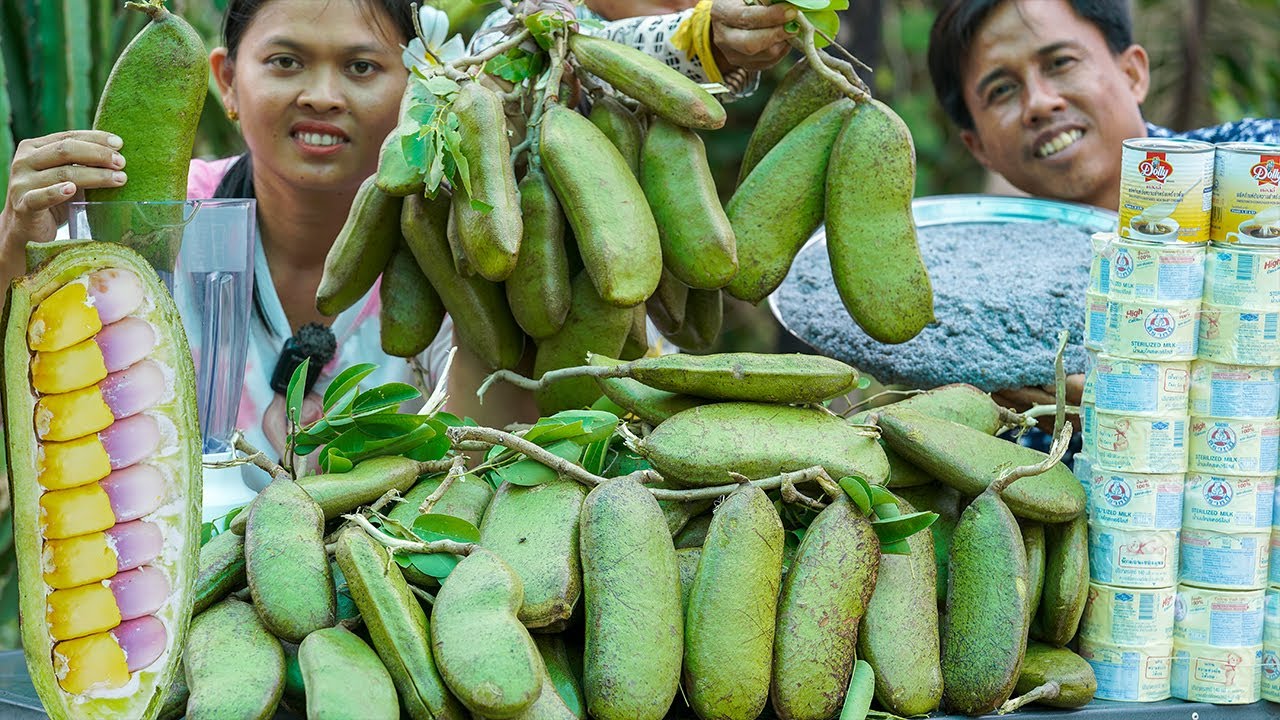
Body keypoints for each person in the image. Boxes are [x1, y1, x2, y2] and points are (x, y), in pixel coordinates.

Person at [0, 0, 532, 489]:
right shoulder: (144, 227)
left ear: (417, 86)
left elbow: (489, 459)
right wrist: (15, 252)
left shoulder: (460, 243)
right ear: (227, 82)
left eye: (361, 67)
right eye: (285, 61)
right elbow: (35, 423)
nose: (322, 95)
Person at [927, 0, 1280, 212]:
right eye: (1002, 89)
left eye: (1060, 63)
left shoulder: (1257, 169)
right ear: (978, 147)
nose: (1040, 102)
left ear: (1132, 74)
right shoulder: (980, 277)